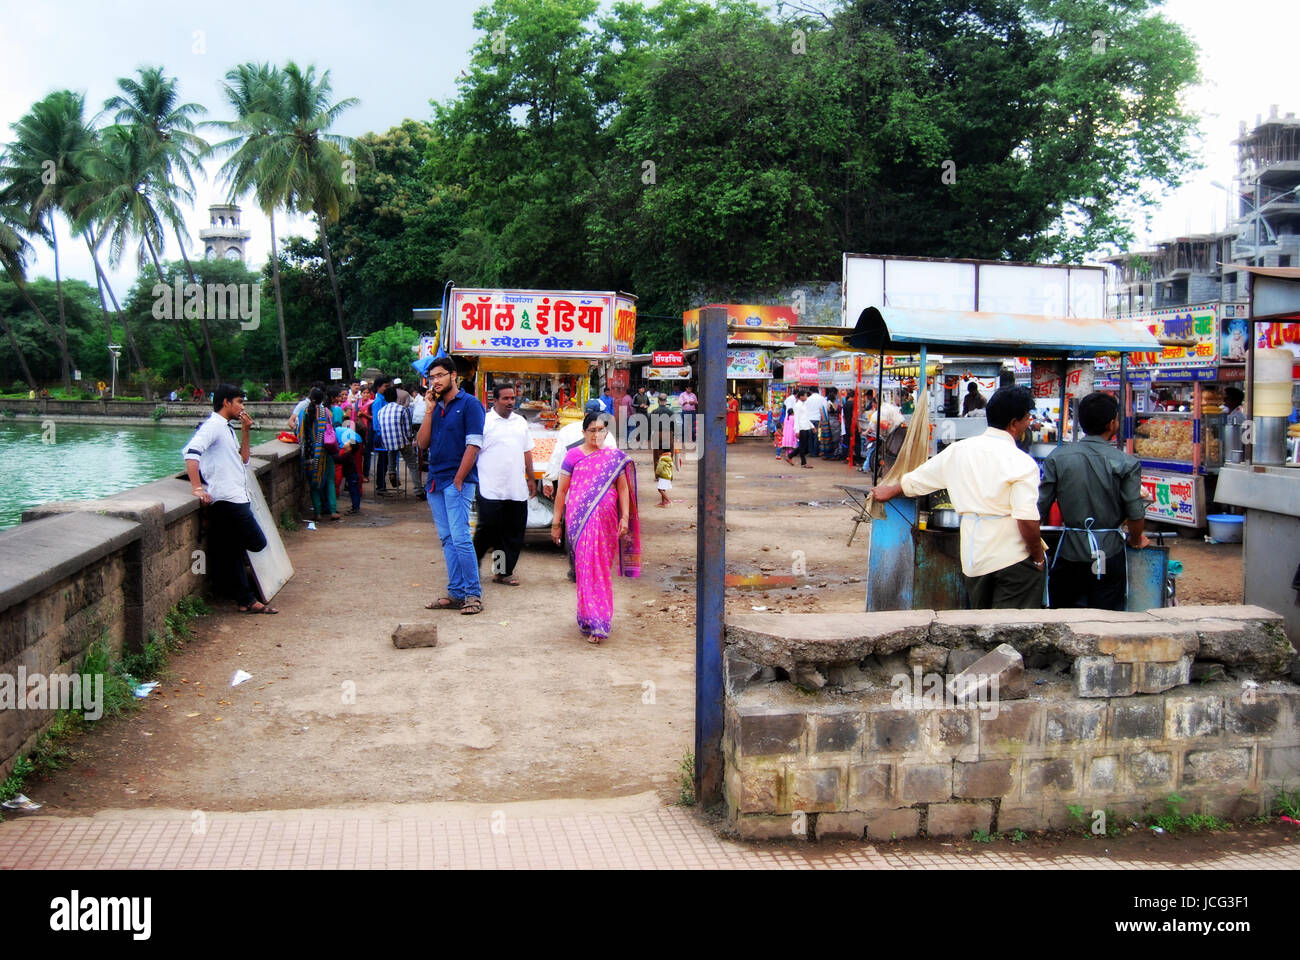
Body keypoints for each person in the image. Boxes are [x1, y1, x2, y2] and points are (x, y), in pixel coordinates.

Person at [871, 386, 1046, 609]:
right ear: (1014, 423)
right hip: (1014, 559)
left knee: (981, 622)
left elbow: (920, 478)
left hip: (975, 559)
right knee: (1013, 626)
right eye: (1027, 418)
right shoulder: (1022, 463)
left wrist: (891, 490)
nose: (1029, 423)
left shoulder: (959, 451)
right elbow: (1027, 520)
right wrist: (1038, 557)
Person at [1038, 391, 1149, 610]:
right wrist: (1136, 539)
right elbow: (1135, 512)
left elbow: (1040, 507)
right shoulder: (1126, 462)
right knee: (1106, 617)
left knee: (1063, 613)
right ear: (1111, 424)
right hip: (1108, 553)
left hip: (1070, 552)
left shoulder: (1058, 457)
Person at [183, 384, 276, 614]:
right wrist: (197, 488)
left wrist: (245, 431)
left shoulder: (227, 428)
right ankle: (242, 595)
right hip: (227, 497)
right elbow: (191, 452)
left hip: (236, 495)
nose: (242, 407)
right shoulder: (213, 425)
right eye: (239, 402)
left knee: (234, 549)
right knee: (257, 542)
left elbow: (243, 460)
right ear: (226, 402)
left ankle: (245, 600)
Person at [550, 412, 641, 644]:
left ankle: (597, 617)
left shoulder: (613, 457)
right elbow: (562, 491)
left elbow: (623, 489)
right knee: (585, 569)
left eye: (601, 430)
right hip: (579, 521)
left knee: (600, 570)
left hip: (608, 521)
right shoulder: (573, 456)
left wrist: (625, 517)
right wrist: (556, 523)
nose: (597, 435)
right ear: (583, 432)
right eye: (592, 430)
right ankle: (592, 618)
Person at [416, 357, 485, 615]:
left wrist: (458, 479)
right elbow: (422, 443)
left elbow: (474, 445)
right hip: (435, 481)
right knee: (447, 539)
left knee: (460, 538)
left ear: (453, 375)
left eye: (440, 375)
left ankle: (473, 594)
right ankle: (456, 592)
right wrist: (429, 410)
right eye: (432, 377)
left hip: (458, 482)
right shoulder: (435, 407)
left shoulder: (470, 404)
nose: (435, 381)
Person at [544, 400, 618, 582]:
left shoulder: (567, 430)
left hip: (576, 495)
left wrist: (548, 479)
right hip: (598, 496)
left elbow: (558, 458)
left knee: (574, 530)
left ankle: (578, 569)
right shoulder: (607, 435)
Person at [475, 385, 536, 586]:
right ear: (495, 400)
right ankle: (470, 567)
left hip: (515, 487)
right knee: (488, 528)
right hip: (489, 486)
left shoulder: (520, 422)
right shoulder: (484, 422)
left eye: (512, 398)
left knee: (512, 532)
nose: (510, 402)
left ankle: (502, 572)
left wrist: (531, 478)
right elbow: (472, 451)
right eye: (505, 398)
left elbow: (527, 451)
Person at [299, 387, 340, 522]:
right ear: (322, 399)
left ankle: (318, 513)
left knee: (314, 484)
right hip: (326, 452)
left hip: (310, 454)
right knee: (330, 481)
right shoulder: (327, 412)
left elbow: (300, 432)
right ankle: (333, 511)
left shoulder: (304, 413)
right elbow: (331, 428)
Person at [375, 382, 422, 496]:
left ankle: (391, 471)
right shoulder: (402, 409)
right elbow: (408, 430)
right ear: (396, 397)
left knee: (392, 449)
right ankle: (418, 490)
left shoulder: (381, 411)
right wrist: (410, 440)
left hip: (388, 443)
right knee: (412, 464)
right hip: (402, 442)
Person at [336, 418, 364, 515]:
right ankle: (359, 492)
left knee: (353, 489)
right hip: (358, 441)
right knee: (358, 468)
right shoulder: (340, 431)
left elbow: (339, 461)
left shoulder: (334, 433)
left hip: (351, 475)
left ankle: (337, 493)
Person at [794, 389, 815, 468]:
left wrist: (812, 426)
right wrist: (797, 430)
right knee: (803, 446)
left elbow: (806, 417)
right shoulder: (797, 405)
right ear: (801, 397)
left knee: (803, 446)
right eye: (805, 396)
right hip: (801, 428)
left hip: (806, 427)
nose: (806, 397)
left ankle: (790, 456)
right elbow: (796, 418)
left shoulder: (803, 405)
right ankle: (803, 463)